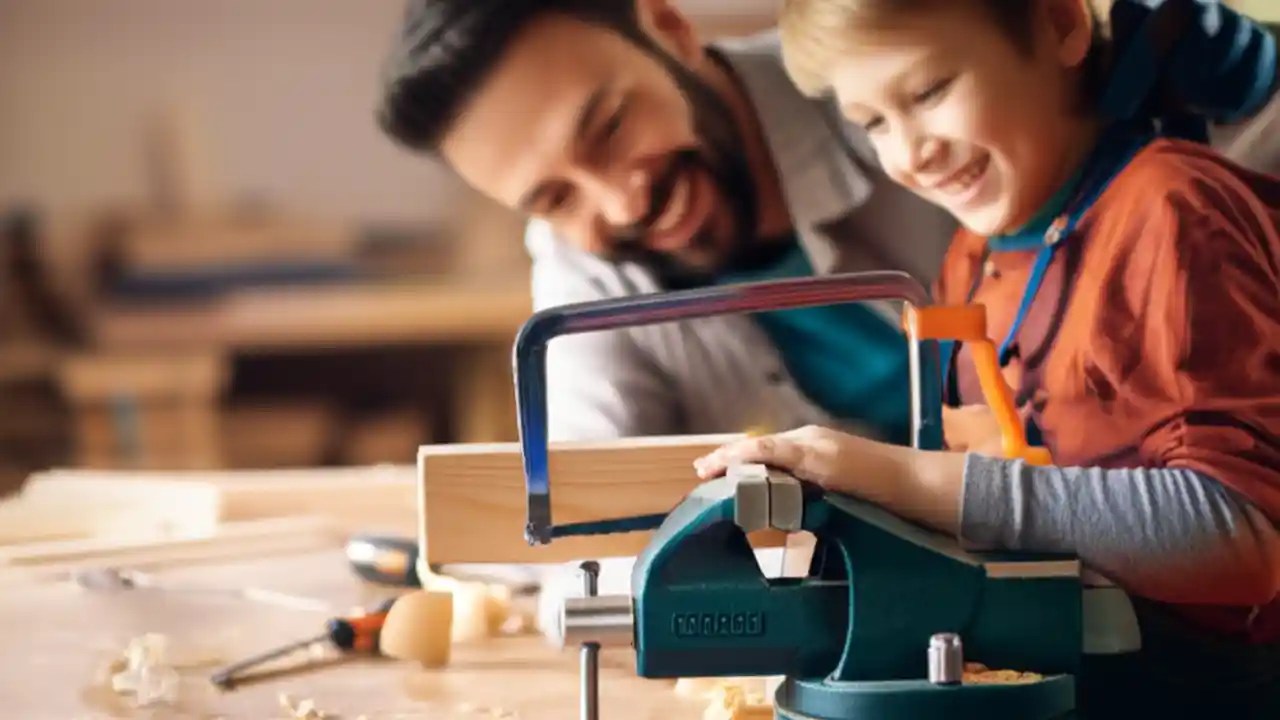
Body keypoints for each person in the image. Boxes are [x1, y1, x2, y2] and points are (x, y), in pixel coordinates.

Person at [690, 0, 1280, 716]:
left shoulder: (1173, 212)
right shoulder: (972, 257)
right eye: (873, 122)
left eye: (931, 91)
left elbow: (1241, 539)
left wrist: (901, 475)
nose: (910, 153)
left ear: (1060, 24)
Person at [375, 0, 1279, 448]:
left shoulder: (893, 62)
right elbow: (586, 519)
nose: (617, 203)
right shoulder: (582, 272)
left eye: (610, 128)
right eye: (553, 197)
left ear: (668, 27)